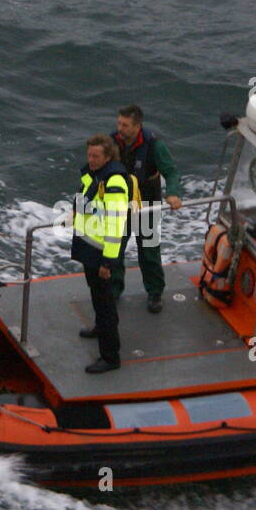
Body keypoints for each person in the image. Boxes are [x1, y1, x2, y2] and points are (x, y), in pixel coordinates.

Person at [111, 104, 183, 313]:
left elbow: (171, 172)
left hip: (147, 206)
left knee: (149, 252)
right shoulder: (112, 142)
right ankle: (114, 290)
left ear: (137, 126)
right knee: (114, 250)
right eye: (118, 124)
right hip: (120, 205)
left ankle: (155, 293)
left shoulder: (154, 145)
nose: (120, 129)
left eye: (125, 125)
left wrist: (173, 193)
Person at [71, 134, 131, 373]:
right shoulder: (95, 175)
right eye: (89, 155)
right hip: (89, 248)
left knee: (105, 304)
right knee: (97, 297)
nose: (91, 159)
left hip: (101, 253)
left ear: (108, 157)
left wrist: (108, 261)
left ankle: (110, 357)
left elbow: (117, 225)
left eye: (96, 156)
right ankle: (99, 328)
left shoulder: (114, 182)